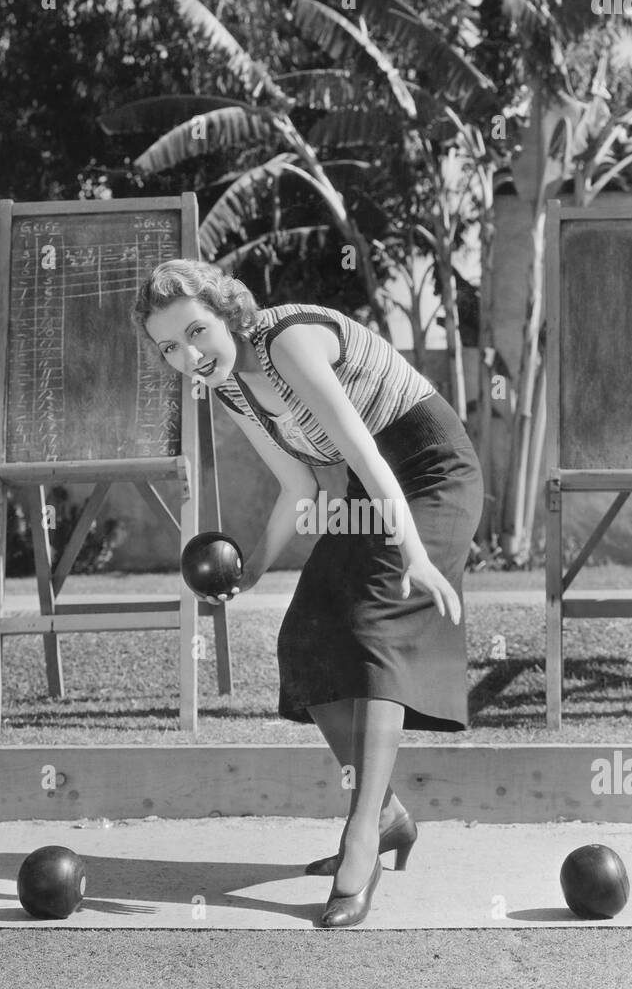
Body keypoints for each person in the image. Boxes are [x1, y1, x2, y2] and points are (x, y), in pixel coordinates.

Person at [133, 260, 483, 929]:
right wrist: (250, 574)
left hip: (430, 473)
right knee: (305, 635)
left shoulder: (286, 343)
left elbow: (369, 456)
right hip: (368, 489)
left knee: (375, 627)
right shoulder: (232, 386)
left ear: (226, 312)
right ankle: (385, 815)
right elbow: (299, 489)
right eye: (170, 348)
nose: (190, 355)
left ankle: (360, 845)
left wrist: (414, 552)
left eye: (197, 331)